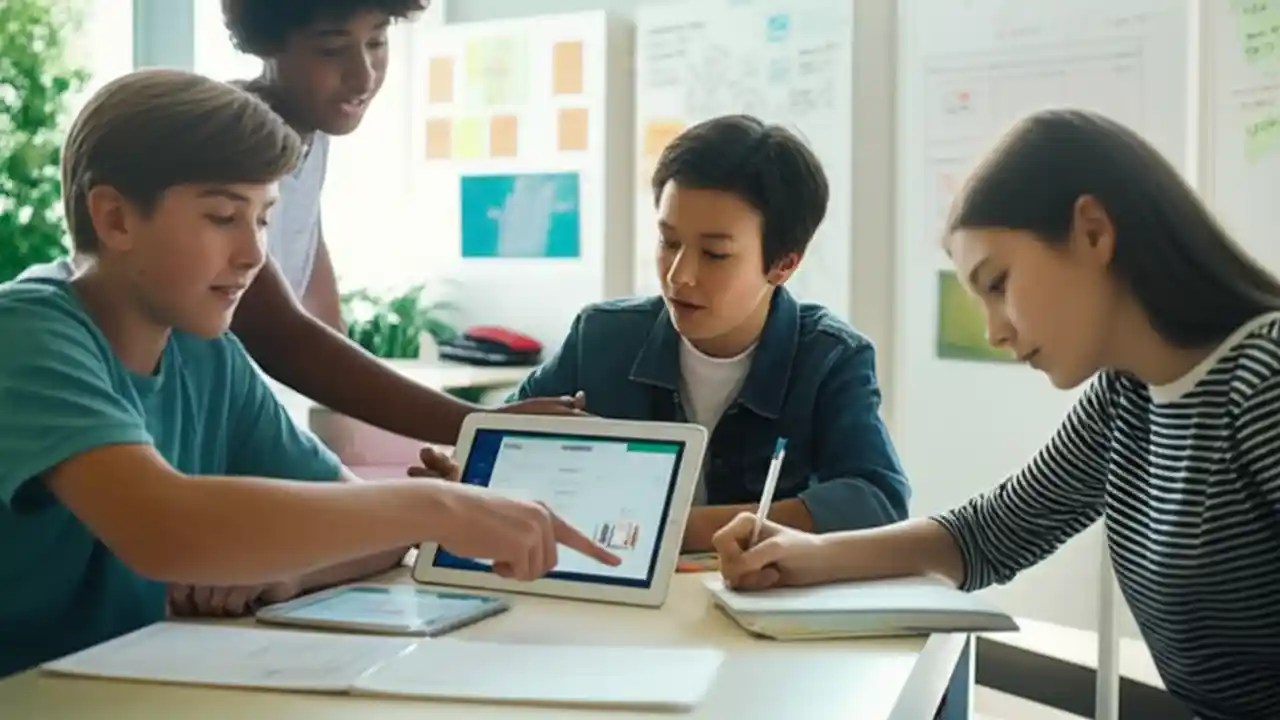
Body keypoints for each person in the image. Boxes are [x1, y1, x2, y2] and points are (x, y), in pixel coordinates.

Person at [0, 69, 617, 678]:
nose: (253, 254)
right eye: (222, 217)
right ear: (115, 219)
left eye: (263, 219)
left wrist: (282, 569)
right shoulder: (27, 332)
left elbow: (365, 526)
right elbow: (161, 524)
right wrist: (441, 506)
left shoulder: (205, 353)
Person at [713, 109, 1280, 720]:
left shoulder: (1262, 382)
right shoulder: (1127, 398)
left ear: (1092, 232)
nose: (994, 332)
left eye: (999, 283)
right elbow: (990, 533)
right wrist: (805, 555)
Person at [510, 115, 910, 551]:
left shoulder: (830, 358)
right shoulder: (601, 337)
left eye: (715, 254)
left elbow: (878, 502)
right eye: (668, 242)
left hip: (747, 606)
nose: (680, 276)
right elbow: (500, 449)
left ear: (784, 264)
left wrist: (668, 529)